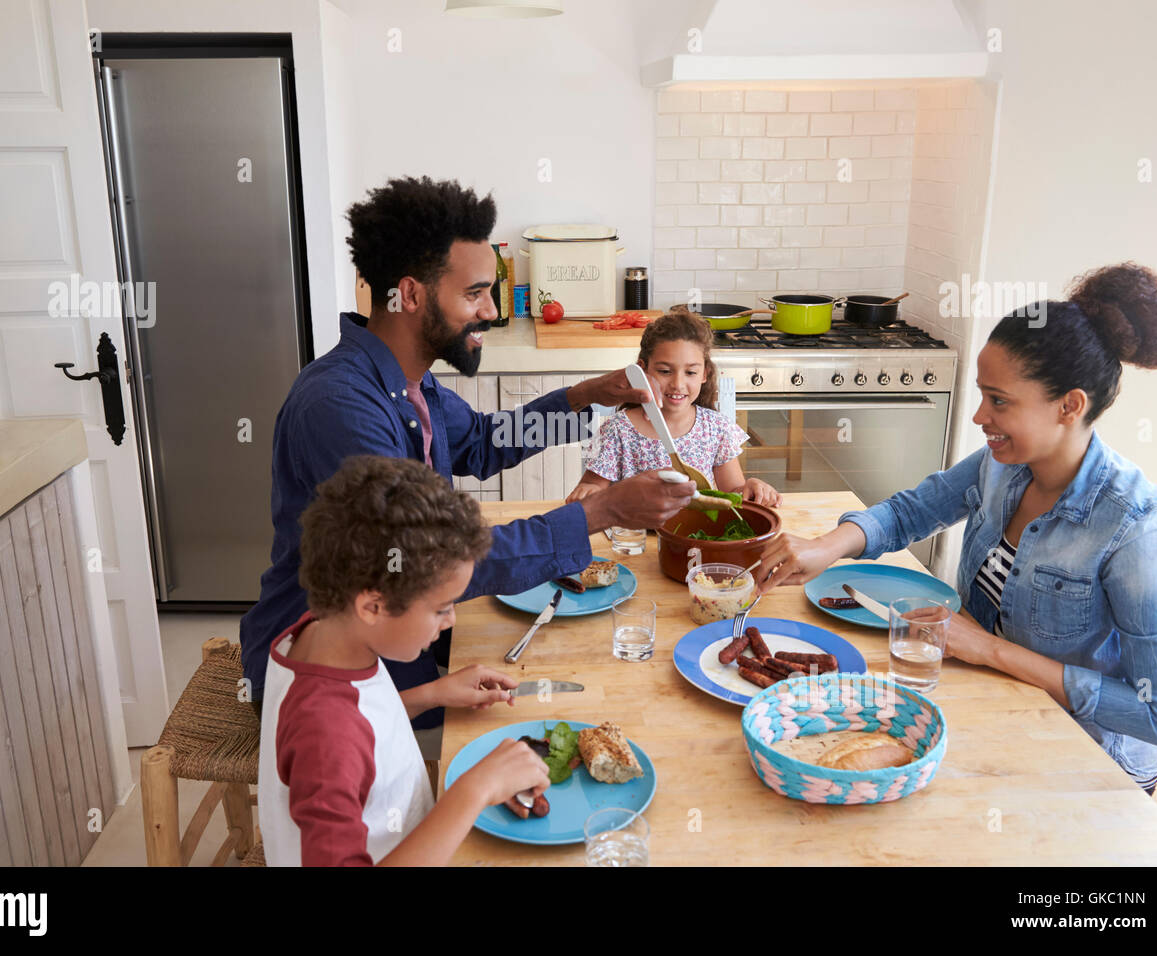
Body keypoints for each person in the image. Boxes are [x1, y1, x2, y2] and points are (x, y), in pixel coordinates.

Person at [239, 176, 694, 721]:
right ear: (410, 294)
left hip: (397, 644)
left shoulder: (407, 380)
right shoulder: (340, 408)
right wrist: (603, 511)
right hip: (330, 683)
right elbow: (425, 562)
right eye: (475, 293)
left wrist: (586, 396)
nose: (490, 311)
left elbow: (483, 442)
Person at [755, 263, 1157, 794]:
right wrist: (825, 548)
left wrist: (986, 648)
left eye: (999, 401)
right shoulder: (1004, 464)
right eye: (984, 394)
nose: (979, 415)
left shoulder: (1139, 529)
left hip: (1089, 762)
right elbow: (913, 511)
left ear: (1069, 405)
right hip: (994, 703)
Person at [258, 455, 551, 866]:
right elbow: (339, 738)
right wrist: (473, 792)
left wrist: (430, 694)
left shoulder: (322, 637)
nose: (451, 621)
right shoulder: (325, 736)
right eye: (441, 608)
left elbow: (360, 723)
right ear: (373, 606)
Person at [565, 308, 782, 506]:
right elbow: (594, 487)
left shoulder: (716, 428)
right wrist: (587, 491)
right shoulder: (618, 429)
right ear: (643, 371)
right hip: (637, 538)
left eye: (690, 372)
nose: (678, 384)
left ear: (704, 373)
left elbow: (733, 493)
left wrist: (751, 487)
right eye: (665, 371)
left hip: (695, 539)